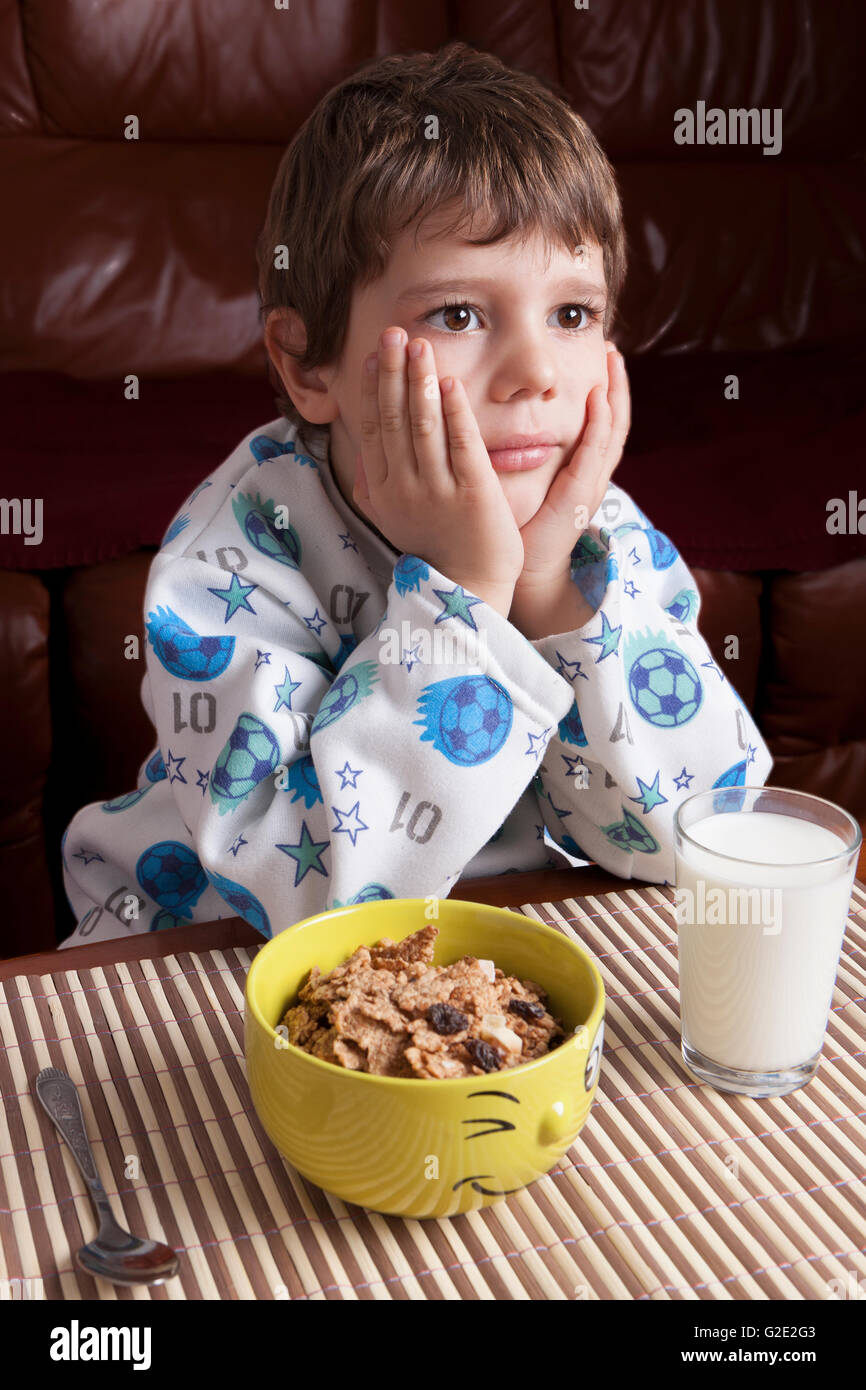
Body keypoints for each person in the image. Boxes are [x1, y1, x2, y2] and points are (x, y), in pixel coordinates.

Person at [60, 42, 771, 946]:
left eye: (572, 314)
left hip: (479, 956)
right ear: (308, 365)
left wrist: (553, 590)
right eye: (459, 314)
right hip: (201, 956)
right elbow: (319, 905)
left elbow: (704, 834)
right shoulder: (237, 551)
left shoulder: (592, 533)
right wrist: (464, 592)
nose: (535, 374)